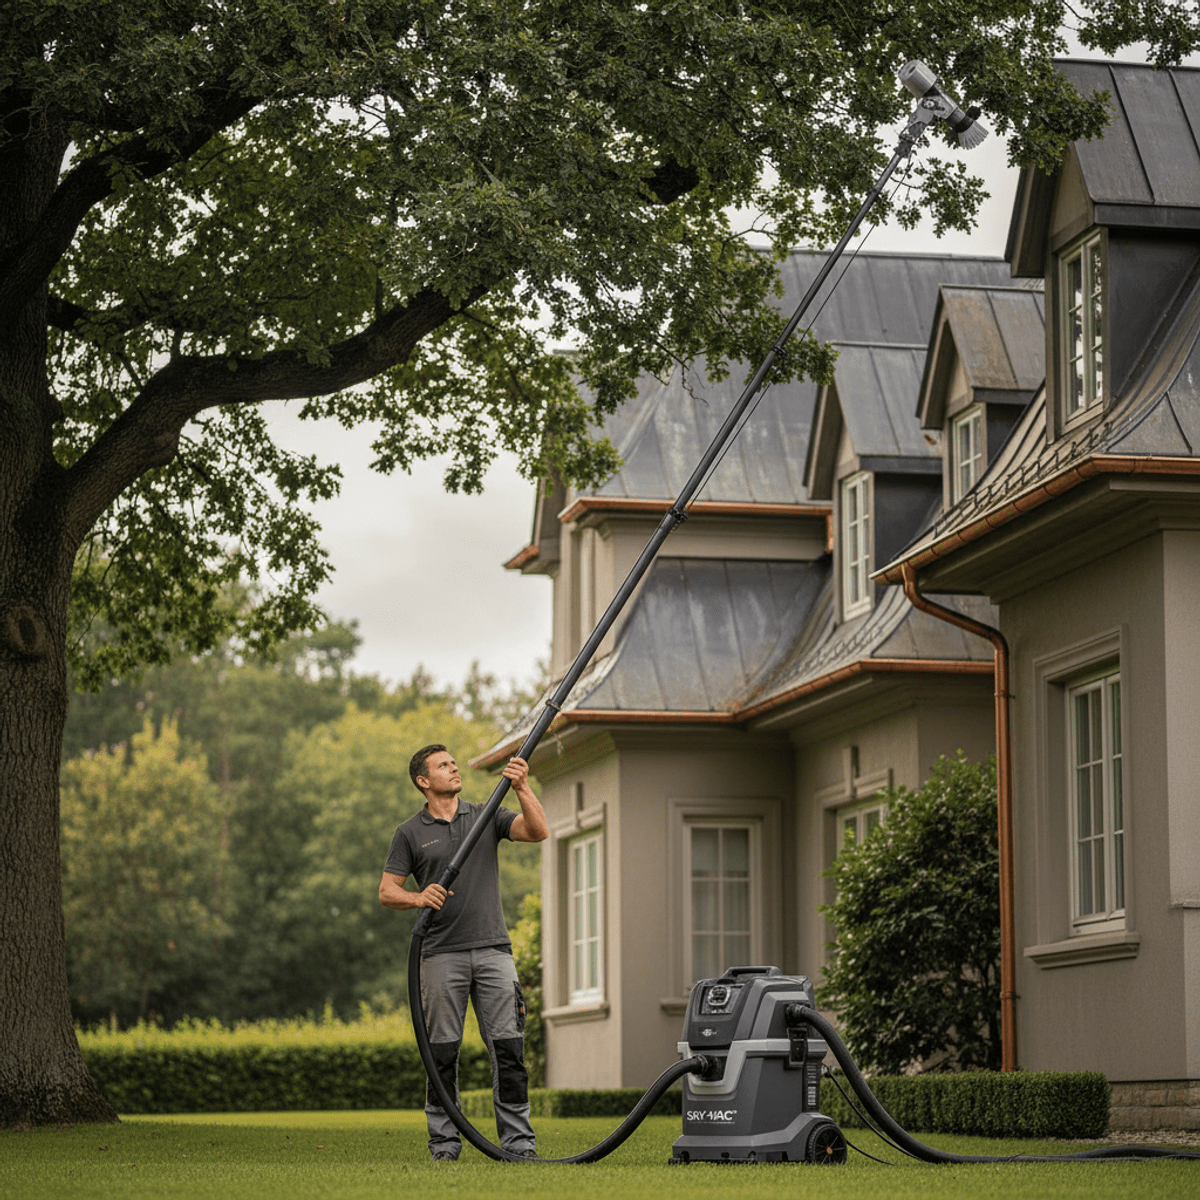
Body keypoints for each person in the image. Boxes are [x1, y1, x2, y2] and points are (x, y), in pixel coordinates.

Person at [379, 743, 548, 1162]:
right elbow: (387, 891)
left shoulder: (485, 813)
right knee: (442, 1053)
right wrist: (418, 899)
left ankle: (518, 1144)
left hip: (494, 950)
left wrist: (523, 787)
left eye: (453, 763)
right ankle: (445, 1144)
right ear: (424, 781)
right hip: (439, 956)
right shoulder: (410, 832)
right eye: (443, 766)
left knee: (509, 1049)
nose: (454, 769)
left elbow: (538, 831)